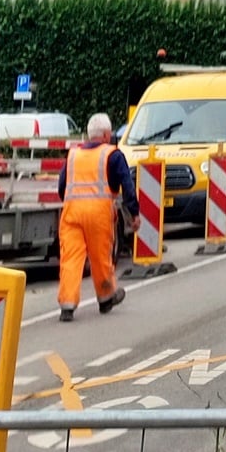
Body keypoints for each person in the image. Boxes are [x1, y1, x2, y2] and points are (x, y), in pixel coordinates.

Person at [59, 112, 132, 321]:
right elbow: (127, 185)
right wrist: (133, 213)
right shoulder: (113, 155)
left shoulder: (73, 155)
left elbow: (62, 186)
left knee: (71, 259)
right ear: (107, 135)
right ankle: (106, 297)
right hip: (99, 213)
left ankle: (67, 305)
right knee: (101, 257)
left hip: (71, 213)